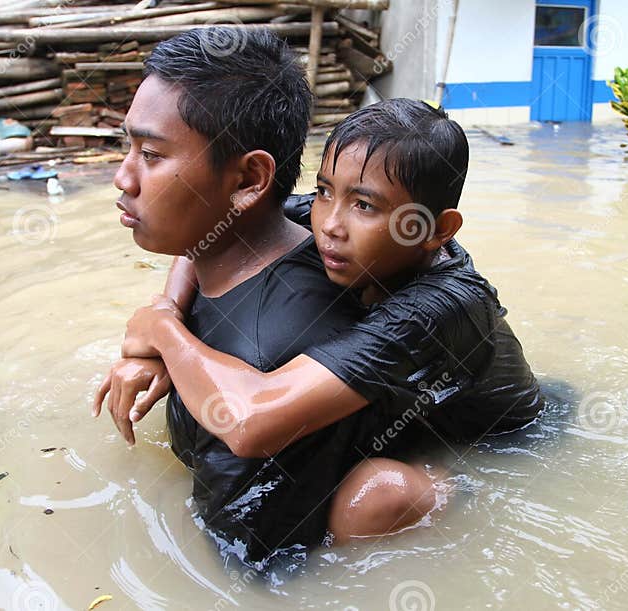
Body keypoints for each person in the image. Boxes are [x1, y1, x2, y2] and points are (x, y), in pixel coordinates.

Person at [119, 99, 544, 542]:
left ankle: (456, 491)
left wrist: (163, 332)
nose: (330, 224)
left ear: (437, 230)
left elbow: (251, 424)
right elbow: (217, 230)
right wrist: (167, 312)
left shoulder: (440, 306)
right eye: (324, 191)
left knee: (374, 498)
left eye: (364, 206)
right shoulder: (332, 221)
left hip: (501, 442)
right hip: (406, 403)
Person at [92, 27, 389, 570]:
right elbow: (196, 249)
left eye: (152, 155)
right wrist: (159, 337)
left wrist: (161, 331)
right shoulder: (239, 243)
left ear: (250, 179)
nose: (122, 177)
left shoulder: (273, 355)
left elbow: (251, 567)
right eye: (127, 146)